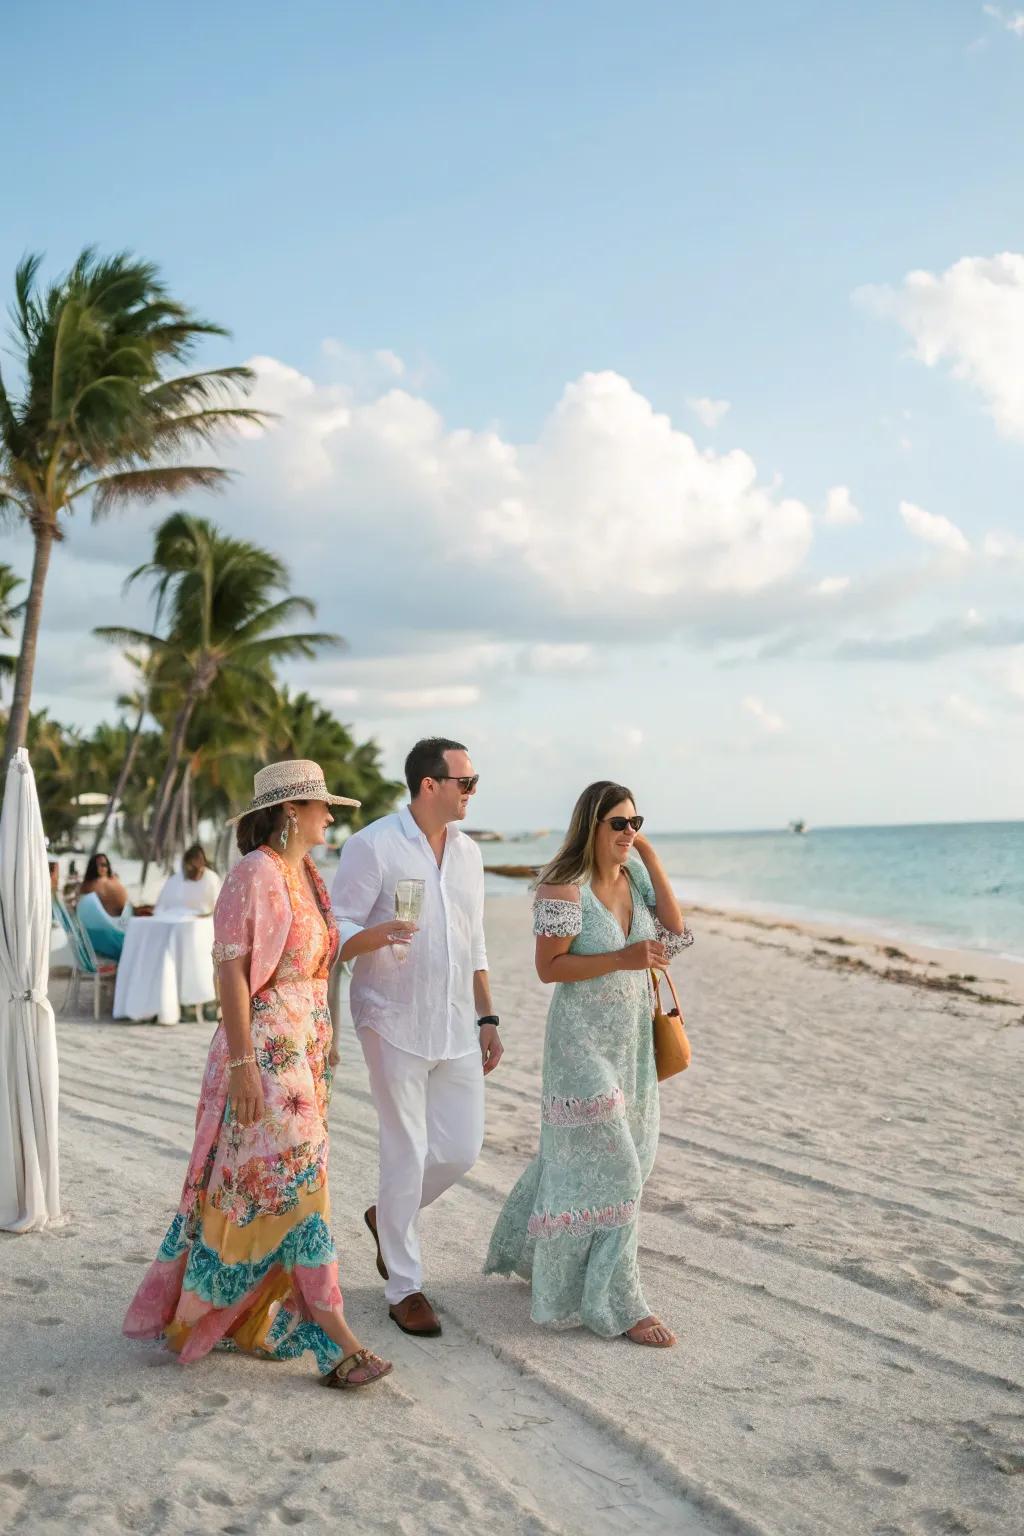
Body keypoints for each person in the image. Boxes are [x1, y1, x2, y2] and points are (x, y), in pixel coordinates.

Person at [123, 759, 392, 1389]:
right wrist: (244, 1064)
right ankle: (335, 1334)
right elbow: (231, 974)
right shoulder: (252, 875)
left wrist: (372, 941)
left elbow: (314, 960)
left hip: (304, 1049)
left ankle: (260, 1312)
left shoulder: (308, 876)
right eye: (322, 805)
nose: (330, 815)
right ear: (290, 811)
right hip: (266, 1050)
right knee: (299, 1185)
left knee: (276, 1185)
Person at [485, 781, 693, 1348]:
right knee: (618, 1168)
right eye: (619, 825)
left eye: (636, 823)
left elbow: (678, 935)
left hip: (634, 1044)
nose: (629, 833)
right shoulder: (563, 888)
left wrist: (649, 856)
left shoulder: (635, 876)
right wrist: (622, 958)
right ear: (592, 826)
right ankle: (620, 1303)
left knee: (618, 1160)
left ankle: (533, 1254)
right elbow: (549, 969)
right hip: (580, 1046)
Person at [331, 737, 503, 1339]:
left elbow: (474, 941)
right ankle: (404, 1288)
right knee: (405, 1148)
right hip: (391, 1016)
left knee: (460, 1149)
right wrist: (377, 936)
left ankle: (387, 1215)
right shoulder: (371, 845)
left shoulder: (471, 855)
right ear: (429, 785)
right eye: (466, 782)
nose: (473, 793)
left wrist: (488, 1017)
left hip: (456, 1021)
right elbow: (337, 927)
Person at [156, 843, 223, 915]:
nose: (199, 865)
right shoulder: (174, 881)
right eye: (195, 861)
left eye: (201, 860)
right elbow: (161, 907)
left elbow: (219, 907)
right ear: (188, 863)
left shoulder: (212, 879)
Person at [79, 851, 130, 917]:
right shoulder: (88, 885)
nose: (100, 868)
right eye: (96, 866)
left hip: (120, 918)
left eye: (104, 865)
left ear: (108, 867)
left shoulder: (114, 880)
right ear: (92, 868)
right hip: (103, 919)